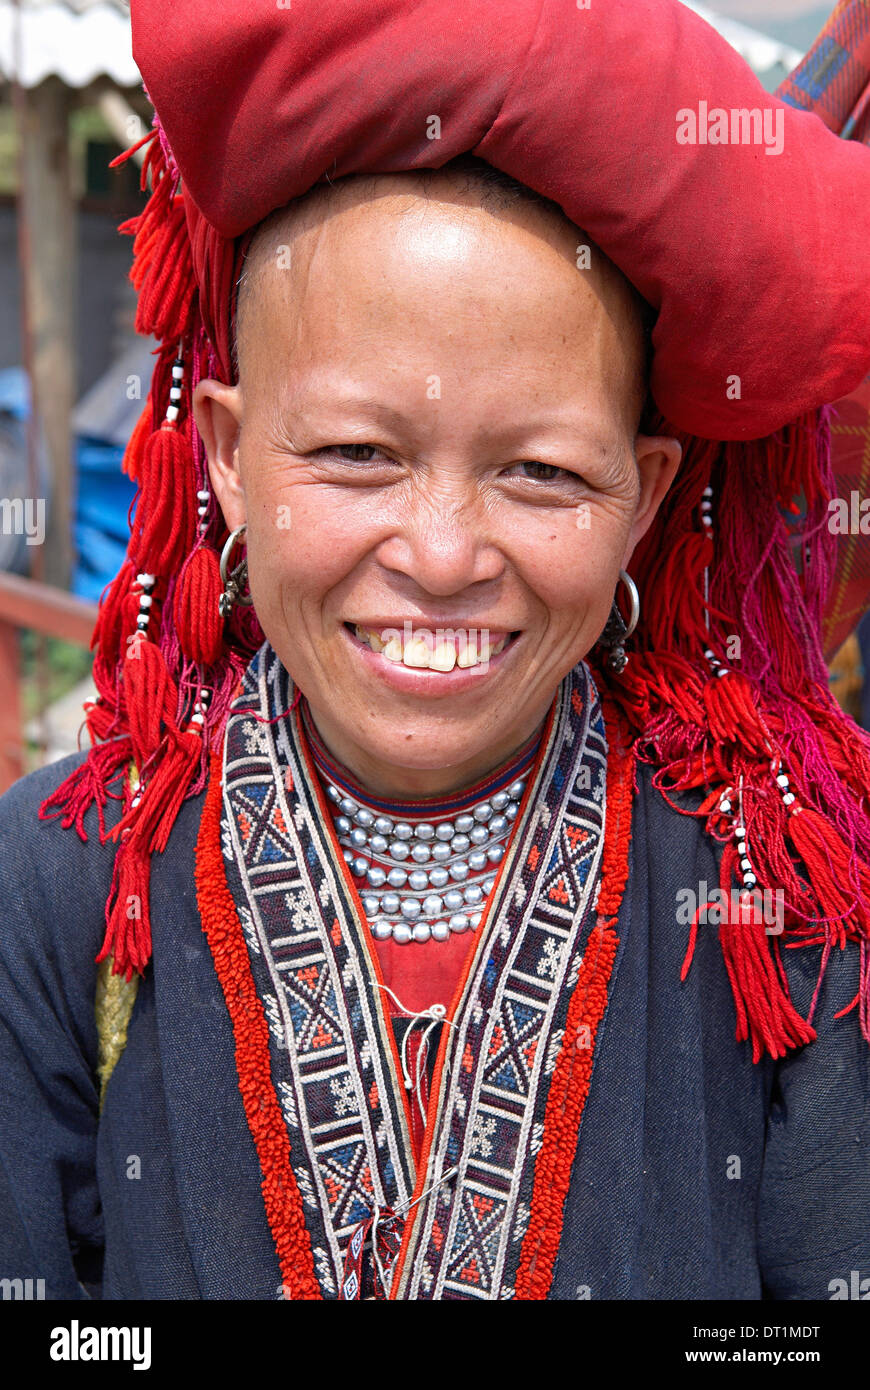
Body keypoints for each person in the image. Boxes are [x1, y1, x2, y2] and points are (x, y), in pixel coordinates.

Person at [1, 0, 870, 1301]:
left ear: (641, 491)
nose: (446, 553)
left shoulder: (780, 894)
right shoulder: (64, 883)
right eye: (356, 454)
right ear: (230, 458)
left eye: (539, 471)